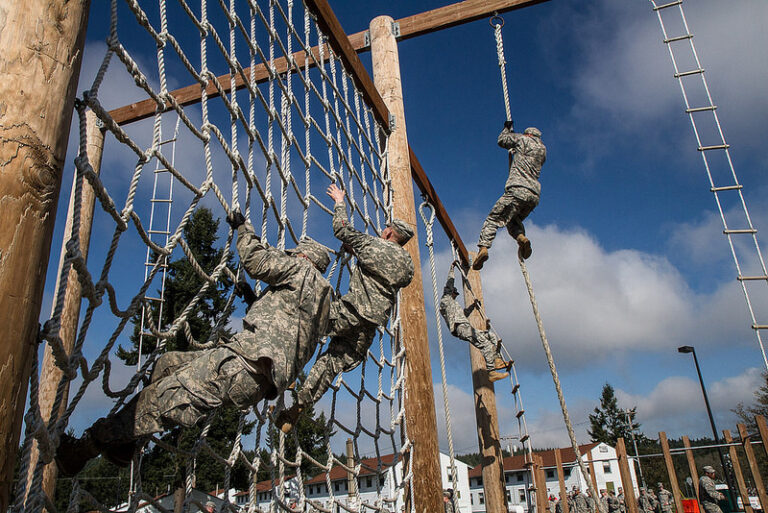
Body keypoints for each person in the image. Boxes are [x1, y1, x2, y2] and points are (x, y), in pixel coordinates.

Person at [56, 210, 334, 476]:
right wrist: (252, 299)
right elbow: (286, 329)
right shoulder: (323, 302)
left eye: (297, 252)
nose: (294, 254)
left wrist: (243, 228)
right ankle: (127, 444)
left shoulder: (300, 269)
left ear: (305, 256)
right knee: (167, 365)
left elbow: (254, 260)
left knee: (160, 398)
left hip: (240, 365)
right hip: (251, 375)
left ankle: (82, 451)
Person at [276, 184, 415, 433]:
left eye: (385, 228)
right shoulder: (407, 264)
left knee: (303, 322)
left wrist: (340, 201)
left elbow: (341, 230)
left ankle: (286, 373)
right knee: (332, 362)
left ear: (388, 233)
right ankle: (299, 406)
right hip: (369, 327)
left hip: (350, 311)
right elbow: (399, 278)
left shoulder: (374, 245)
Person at [472, 121, 546, 270]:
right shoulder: (543, 150)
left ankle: (484, 248)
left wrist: (506, 129)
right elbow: (526, 158)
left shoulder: (523, 139)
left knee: (493, 219)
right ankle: (521, 238)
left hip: (517, 190)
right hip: (533, 196)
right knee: (511, 220)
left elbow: (502, 140)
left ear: (528, 134)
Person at [439, 266, 511, 382]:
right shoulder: (446, 301)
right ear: (451, 293)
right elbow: (448, 286)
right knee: (485, 344)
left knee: (490, 336)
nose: (455, 296)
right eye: (455, 294)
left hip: (465, 327)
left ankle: (496, 360)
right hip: (460, 328)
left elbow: (464, 314)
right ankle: (491, 372)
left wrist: (473, 306)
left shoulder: (453, 305)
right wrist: (452, 270)